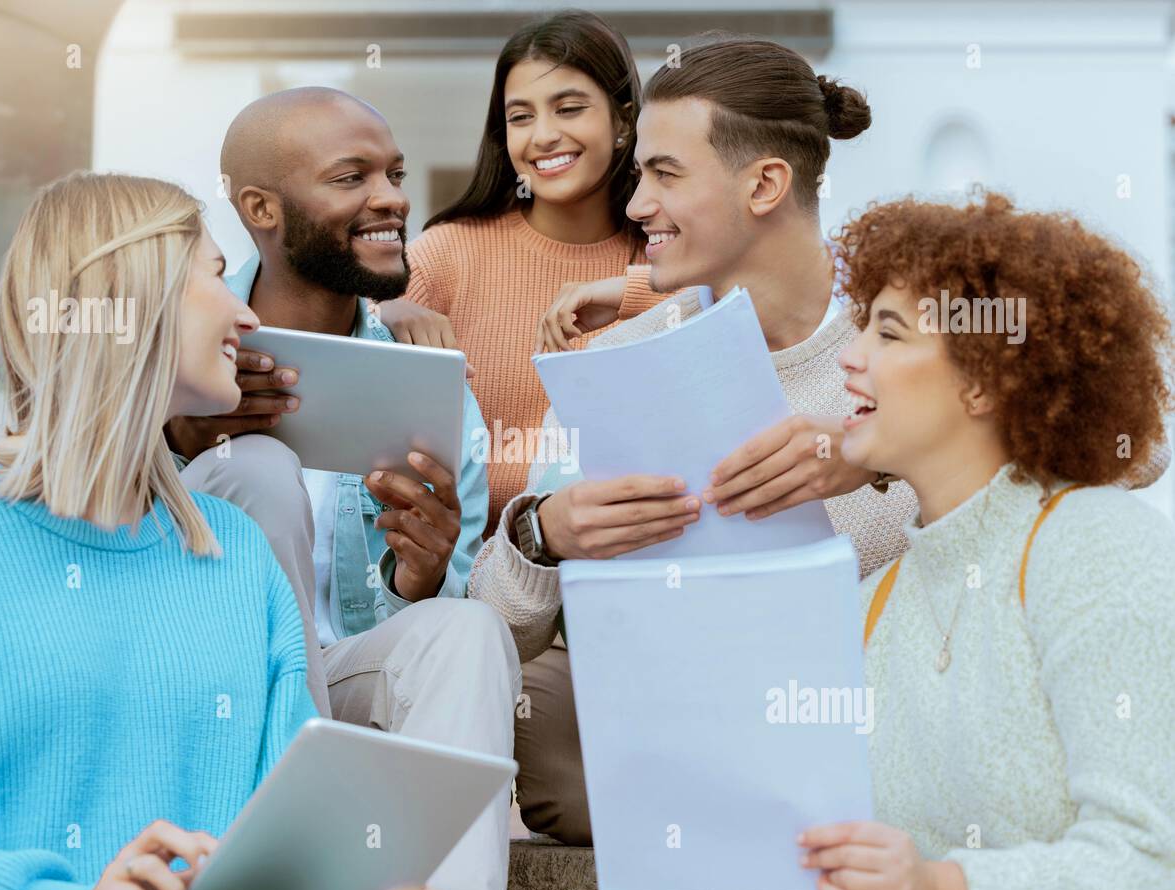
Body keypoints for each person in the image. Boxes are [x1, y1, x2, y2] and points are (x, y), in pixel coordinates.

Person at [470, 36, 1172, 847]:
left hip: (902, 719)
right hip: (696, 733)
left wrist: (867, 458)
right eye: (641, 176)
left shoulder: (907, 336)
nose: (633, 207)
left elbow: (1135, 449)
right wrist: (543, 535)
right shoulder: (620, 363)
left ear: (765, 183)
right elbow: (487, 637)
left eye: (665, 175)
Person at [0, 172, 314, 890]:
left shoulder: (237, 552)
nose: (246, 314)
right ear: (133, 290)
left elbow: (289, 843)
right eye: (215, 275)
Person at [163, 88, 519, 890]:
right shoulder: (186, 337)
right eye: (351, 177)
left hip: (343, 684)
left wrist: (419, 578)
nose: (391, 196)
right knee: (257, 470)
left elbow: (432, 604)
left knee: (467, 628)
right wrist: (181, 438)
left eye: (393, 174)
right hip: (220, 697)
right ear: (262, 207)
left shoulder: (426, 373)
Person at [800, 192, 1175, 890]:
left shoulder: (1099, 548)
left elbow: (1152, 870)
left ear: (981, 380)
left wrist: (942, 887)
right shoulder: (871, 609)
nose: (850, 359)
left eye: (888, 333)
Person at [377, 9, 671, 527]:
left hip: (630, 551)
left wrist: (629, 290)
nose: (543, 136)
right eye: (520, 117)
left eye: (569, 108)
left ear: (624, 121)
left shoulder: (666, 254)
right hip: (468, 567)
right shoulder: (447, 253)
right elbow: (345, 339)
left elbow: (736, 305)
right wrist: (386, 313)